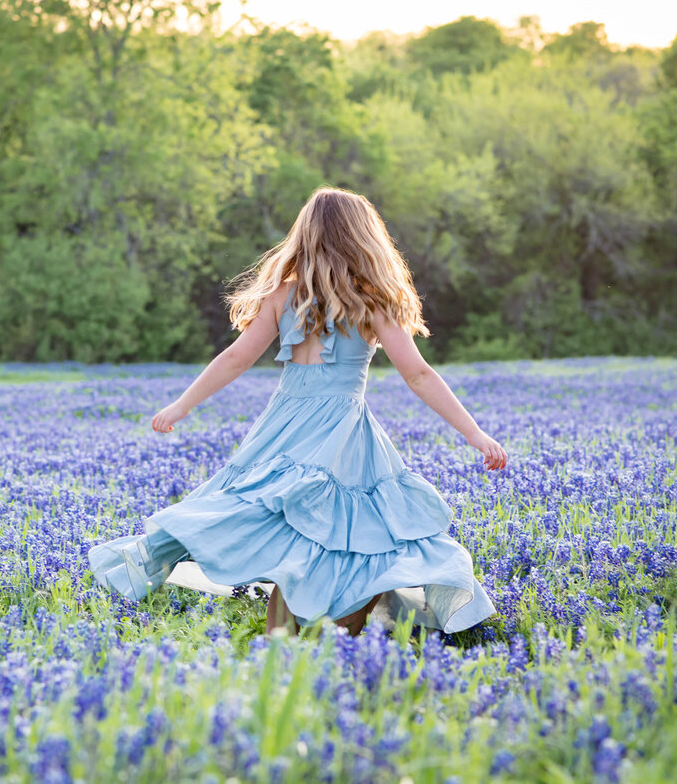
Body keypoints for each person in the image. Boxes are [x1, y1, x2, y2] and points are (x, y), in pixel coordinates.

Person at [86, 186, 507, 638]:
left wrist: (181, 404)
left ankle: (282, 644)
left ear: (304, 236)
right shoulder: (372, 301)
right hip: (342, 431)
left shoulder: (283, 296)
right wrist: (474, 433)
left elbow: (236, 358)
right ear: (365, 237)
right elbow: (419, 375)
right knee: (367, 536)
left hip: (283, 426)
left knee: (290, 530)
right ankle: (335, 642)